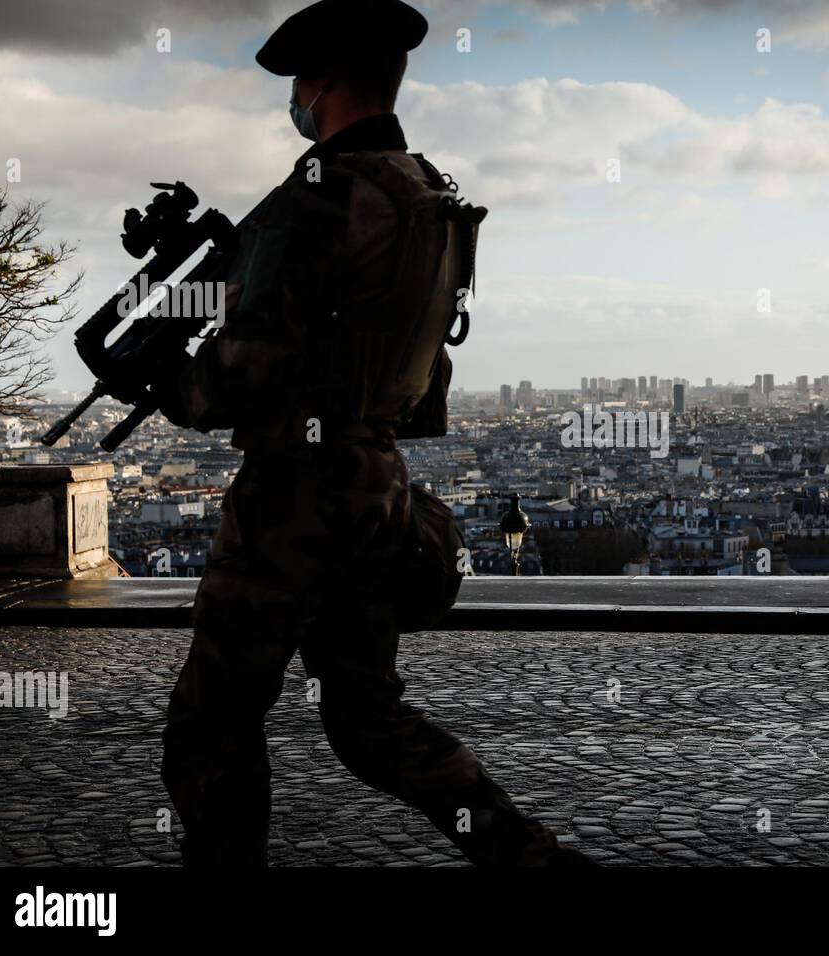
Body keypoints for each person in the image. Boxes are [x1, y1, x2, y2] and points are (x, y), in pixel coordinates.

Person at [154, 0, 589, 867]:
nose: (298, 99)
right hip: (374, 484)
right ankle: (531, 858)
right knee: (367, 718)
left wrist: (175, 381)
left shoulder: (315, 201)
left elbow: (244, 371)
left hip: (292, 496)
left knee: (214, 723)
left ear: (324, 84)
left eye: (302, 84)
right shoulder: (430, 195)